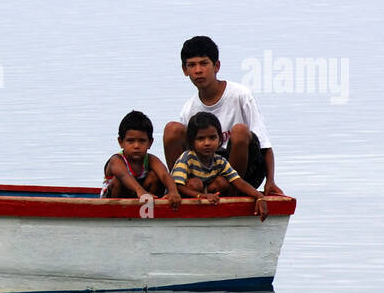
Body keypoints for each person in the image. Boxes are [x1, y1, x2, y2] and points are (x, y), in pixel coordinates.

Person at [163, 36, 284, 196]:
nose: (198, 70)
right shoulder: (189, 109)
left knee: (240, 131)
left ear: (216, 66)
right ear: (185, 70)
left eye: (204, 63)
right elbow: (188, 154)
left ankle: (231, 192)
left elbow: (264, 145)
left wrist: (270, 182)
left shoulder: (240, 95)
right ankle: (182, 189)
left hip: (244, 172)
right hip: (206, 171)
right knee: (172, 129)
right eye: (191, 65)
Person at [171, 112, 268, 220]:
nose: (207, 143)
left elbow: (238, 181)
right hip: (190, 196)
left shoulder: (220, 161)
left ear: (220, 139)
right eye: (201, 139)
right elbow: (178, 185)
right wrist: (200, 196)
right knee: (195, 183)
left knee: (222, 181)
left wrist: (259, 196)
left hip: (208, 194)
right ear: (191, 142)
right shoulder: (187, 158)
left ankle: (216, 212)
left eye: (212, 138)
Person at [102, 109, 181, 210]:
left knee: (154, 176)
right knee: (117, 181)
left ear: (150, 143)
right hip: (117, 200)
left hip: (144, 200)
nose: (136, 146)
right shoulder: (116, 160)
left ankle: (150, 210)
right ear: (121, 142)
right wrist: (140, 191)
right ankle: (118, 215)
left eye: (142, 141)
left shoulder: (151, 159)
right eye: (130, 141)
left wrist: (173, 191)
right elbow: (123, 175)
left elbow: (164, 174)